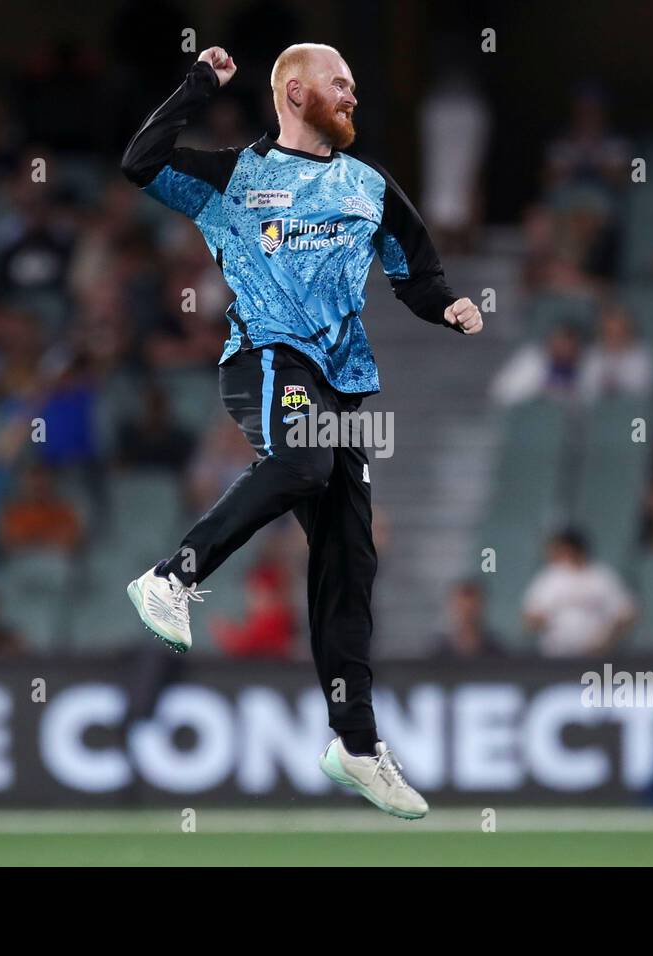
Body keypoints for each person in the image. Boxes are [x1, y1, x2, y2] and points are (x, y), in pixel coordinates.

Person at [120, 44, 483, 820]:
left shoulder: (369, 184)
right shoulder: (231, 179)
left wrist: (447, 306)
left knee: (350, 561)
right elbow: (140, 161)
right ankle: (173, 575)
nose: (352, 94)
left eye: (353, 83)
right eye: (339, 83)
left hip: (339, 383)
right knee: (304, 462)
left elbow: (413, 270)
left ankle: (354, 745)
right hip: (263, 358)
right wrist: (196, 85)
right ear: (294, 91)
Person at [521, 529, 637, 657]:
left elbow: (627, 615)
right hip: (556, 658)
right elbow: (530, 617)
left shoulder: (602, 576)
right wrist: (553, 628)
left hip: (597, 658)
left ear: (571, 548)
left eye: (557, 548)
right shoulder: (550, 577)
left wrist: (608, 639)